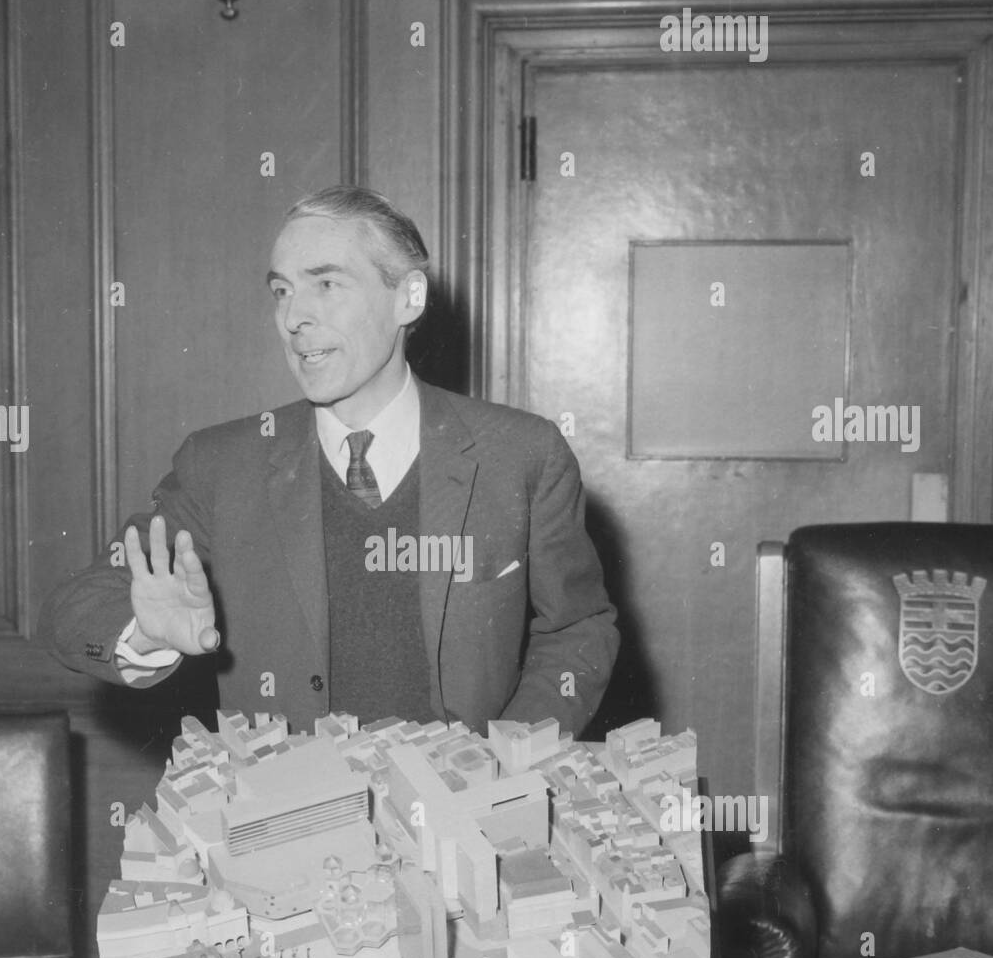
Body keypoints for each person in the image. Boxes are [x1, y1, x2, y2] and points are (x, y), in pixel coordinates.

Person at [40, 185, 617, 736]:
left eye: (326, 285)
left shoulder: (521, 455)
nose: (294, 318)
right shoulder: (221, 464)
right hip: (284, 823)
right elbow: (75, 609)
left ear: (407, 297)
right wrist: (145, 632)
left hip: (460, 820)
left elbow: (578, 628)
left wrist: (505, 758)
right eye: (282, 291)